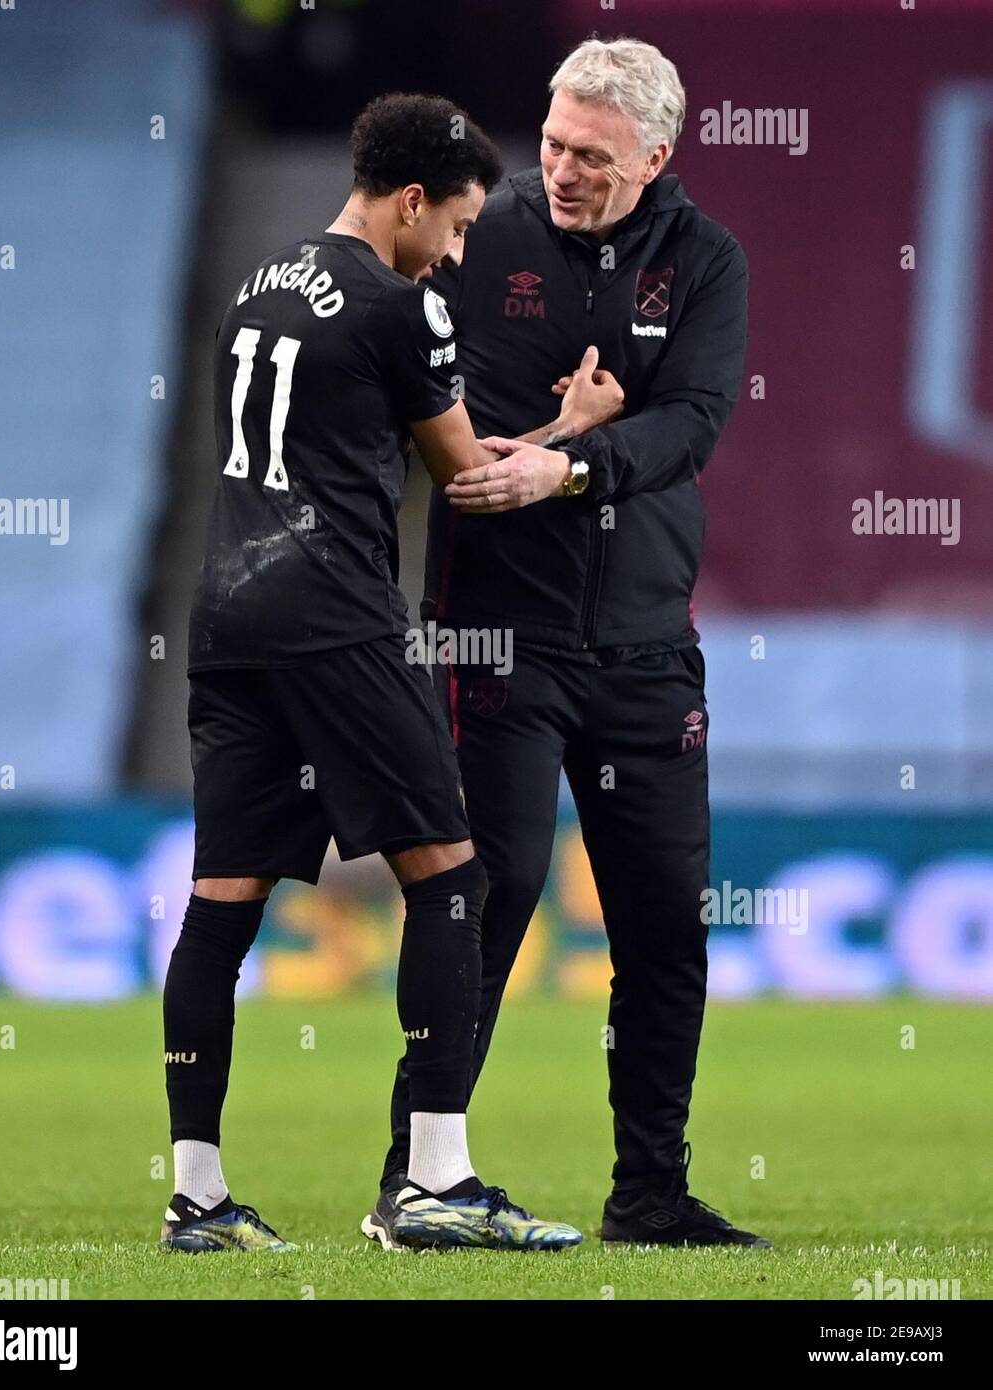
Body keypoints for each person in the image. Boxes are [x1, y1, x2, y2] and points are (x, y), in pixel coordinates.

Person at [160, 93, 623, 1253]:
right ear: (410, 202)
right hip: (336, 617)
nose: (460, 250)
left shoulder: (260, 284)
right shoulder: (400, 304)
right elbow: (465, 474)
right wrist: (569, 436)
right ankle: (433, 1181)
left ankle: (197, 1196)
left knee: (221, 905)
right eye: (458, 226)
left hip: (227, 616)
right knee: (452, 877)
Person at [373, 40, 771, 1248]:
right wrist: (564, 435)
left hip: (648, 645)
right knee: (489, 897)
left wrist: (574, 457)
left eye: (590, 156)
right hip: (499, 633)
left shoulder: (705, 263)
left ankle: (647, 1193)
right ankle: (418, 1176)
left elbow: (691, 426)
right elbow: (447, 425)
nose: (559, 171)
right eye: (550, 144)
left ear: (656, 154)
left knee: (661, 923)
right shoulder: (479, 238)